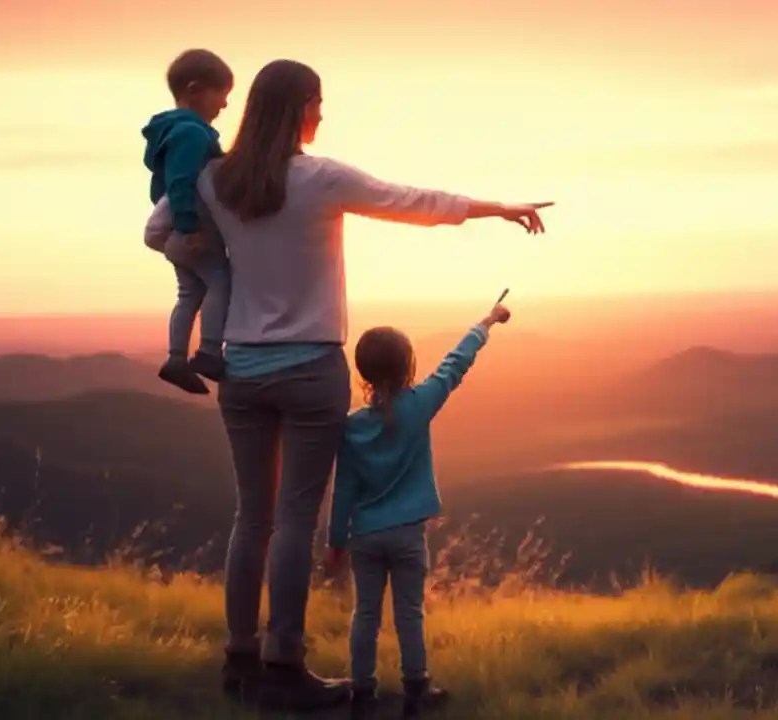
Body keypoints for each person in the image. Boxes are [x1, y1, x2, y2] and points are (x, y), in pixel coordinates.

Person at [159, 57, 551, 712]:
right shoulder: (320, 178)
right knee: (292, 520)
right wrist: (498, 209)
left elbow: (165, 233)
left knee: (249, 517)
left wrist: (196, 280)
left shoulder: (212, 180)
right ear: (303, 106)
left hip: (240, 372)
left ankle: (239, 661)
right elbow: (413, 203)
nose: (323, 114)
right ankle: (283, 664)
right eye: (319, 102)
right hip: (309, 370)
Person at [325, 302, 511, 718]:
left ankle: (362, 694)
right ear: (408, 368)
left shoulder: (351, 428)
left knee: (365, 614)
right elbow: (454, 364)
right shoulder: (419, 405)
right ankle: (416, 691)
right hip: (407, 533)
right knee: (409, 612)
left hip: (365, 535)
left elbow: (344, 490)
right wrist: (485, 323)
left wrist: (336, 543)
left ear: (364, 374)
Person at [141, 48, 234, 395]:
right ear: (195, 89)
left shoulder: (169, 132)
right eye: (221, 95)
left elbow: (163, 185)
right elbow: (181, 180)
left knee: (189, 292)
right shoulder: (191, 134)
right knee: (220, 282)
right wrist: (188, 224)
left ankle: (176, 359)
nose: (224, 105)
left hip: (174, 235)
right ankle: (210, 351)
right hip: (190, 230)